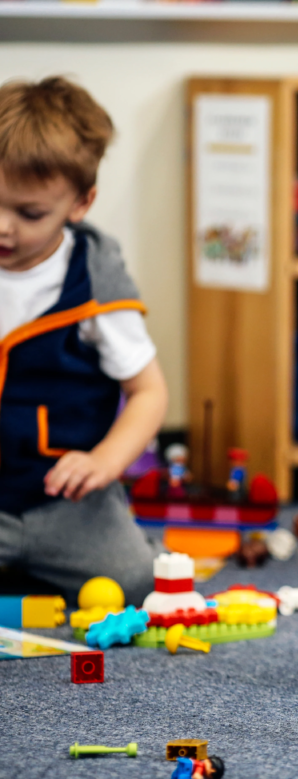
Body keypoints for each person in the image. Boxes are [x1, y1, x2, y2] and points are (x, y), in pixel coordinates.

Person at [0, 77, 165, 604]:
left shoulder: (96, 283)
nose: (3, 228)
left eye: (29, 214)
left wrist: (104, 463)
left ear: (80, 203)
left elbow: (148, 394)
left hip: (66, 500)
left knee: (133, 582)